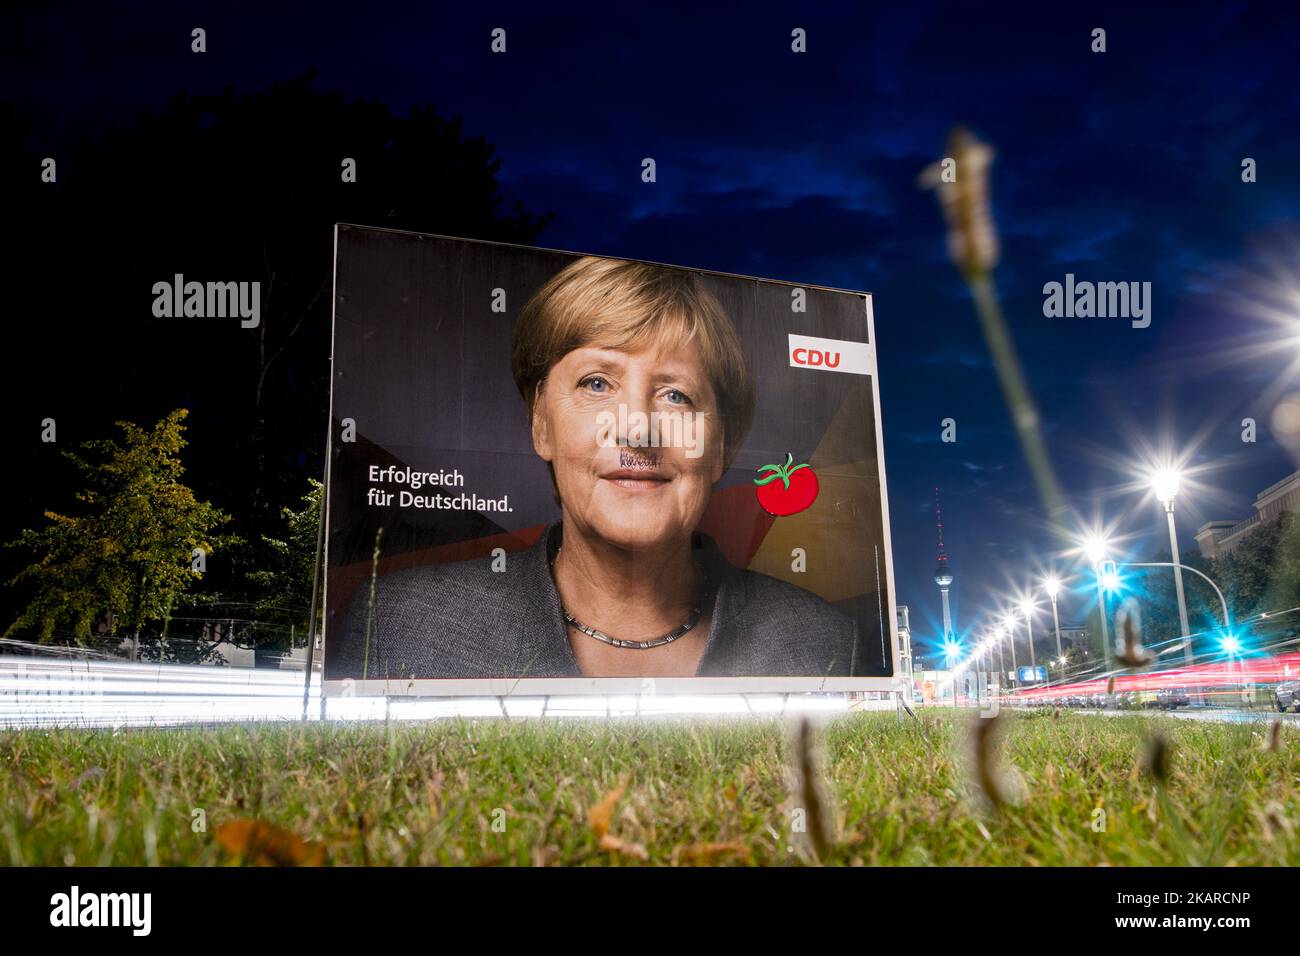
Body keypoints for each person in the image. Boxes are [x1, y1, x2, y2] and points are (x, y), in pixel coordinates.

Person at [335, 255, 859, 680]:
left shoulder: (822, 644)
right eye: (597, 384)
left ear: (721, 445)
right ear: (542, 424)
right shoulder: (402, 624)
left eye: (675, 394)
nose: (637, 430)